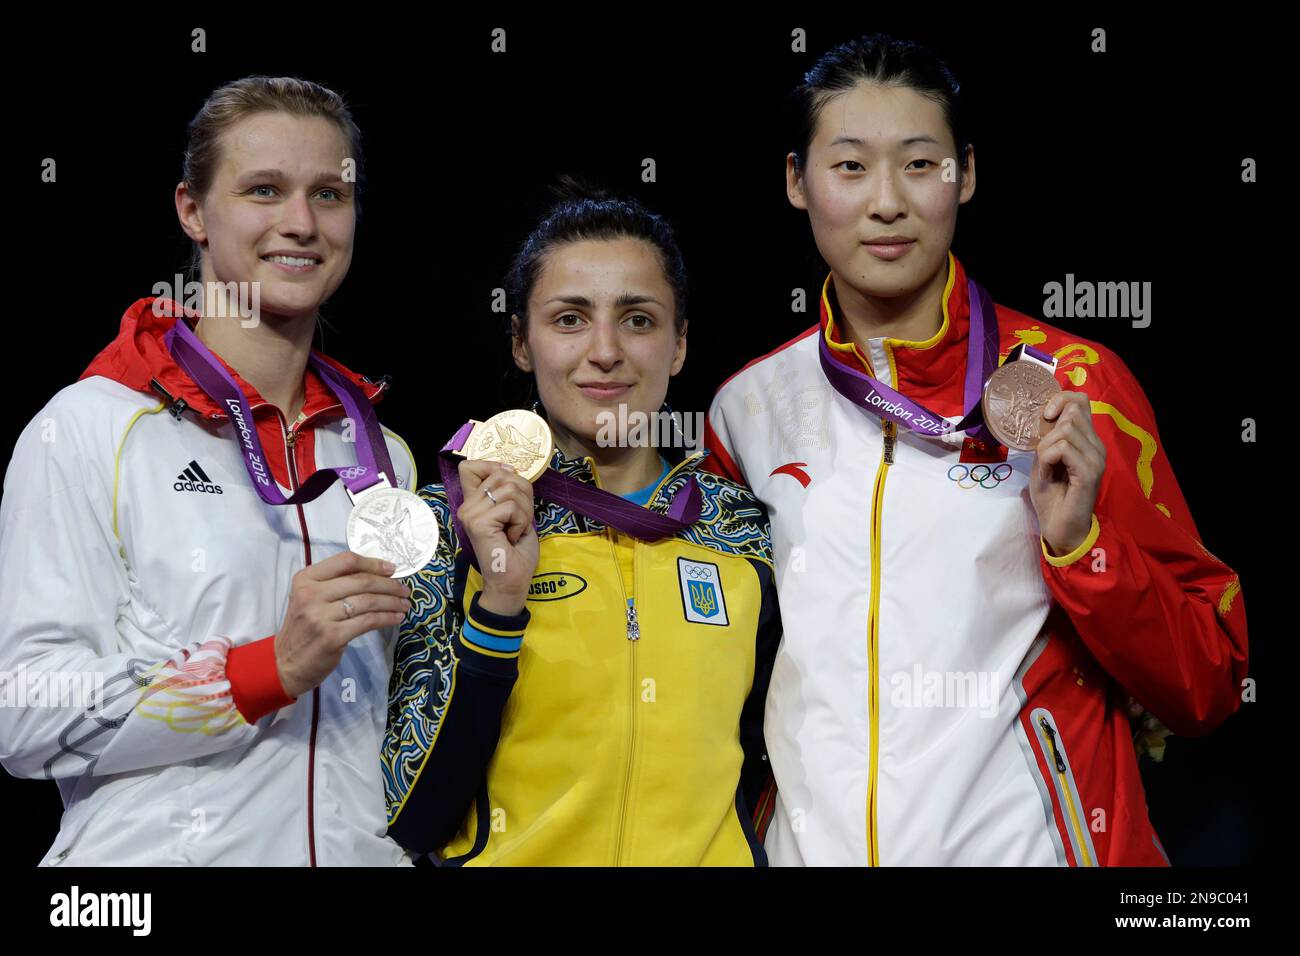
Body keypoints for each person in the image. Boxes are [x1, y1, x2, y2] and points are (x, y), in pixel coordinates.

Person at [703, 34, 1249, 866]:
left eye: (920, 165)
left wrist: (1082, 548)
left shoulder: (1075, 385)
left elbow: (1209, 681)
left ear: (966, 174)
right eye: (850, 167)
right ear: (795, 181)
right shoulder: (747, 410)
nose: (886, 201)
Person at [0, 76, 417, 865]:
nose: (300, 223)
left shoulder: (381, 453)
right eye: (264, 190)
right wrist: (268, 669)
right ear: (192, 210)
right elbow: (26, 715)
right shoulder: (89, 429)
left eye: (329, 193)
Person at [382, 183, 779, 865]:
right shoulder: (449, 525)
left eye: (638, 320)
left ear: (679, 344)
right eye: (569, 319)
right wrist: (498, 608)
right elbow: (414, 819)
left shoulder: (745, 527)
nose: (605, 351)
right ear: (522, 344)